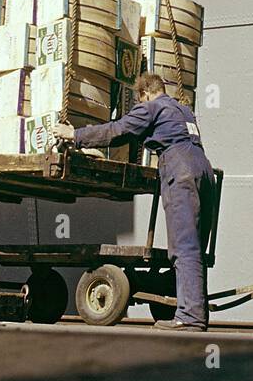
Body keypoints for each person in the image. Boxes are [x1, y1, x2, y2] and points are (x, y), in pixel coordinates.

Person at [54, 72, 215, 330]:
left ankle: (190, 317)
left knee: (183, 247)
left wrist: (76, 136)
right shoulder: (184, 111)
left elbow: (117, 131)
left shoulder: (152, 107)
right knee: (195, 247)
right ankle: (194, 311)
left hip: (180, 171)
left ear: (145, 94)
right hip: (204, 171)